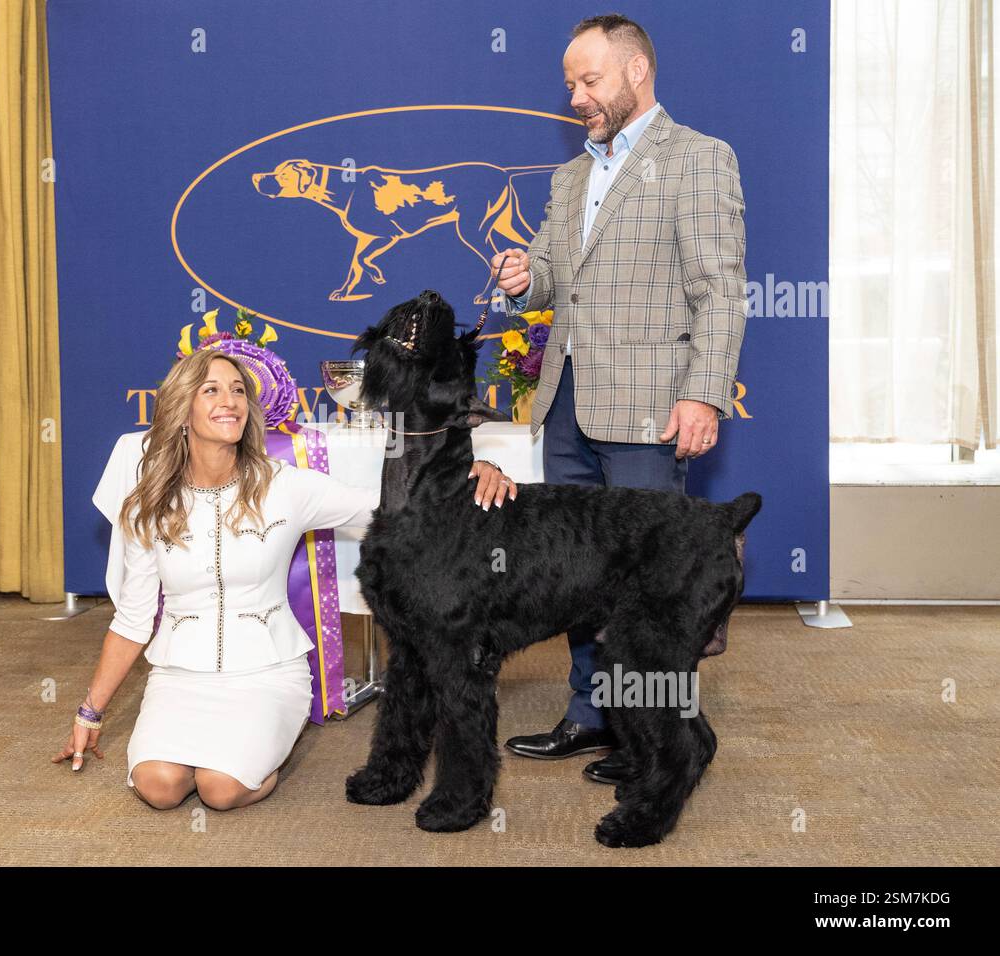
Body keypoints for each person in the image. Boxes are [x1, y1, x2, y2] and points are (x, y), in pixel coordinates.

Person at [52, 348, 517, 810]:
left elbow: (391, 504)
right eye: (211, 390)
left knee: (221, 789)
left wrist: (471, 472)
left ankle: (259, 748)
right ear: (181, 410)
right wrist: (89, 711)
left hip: (267, 673)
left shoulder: (286, 486)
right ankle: (207, 752)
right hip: (179, 677)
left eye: (238, 391)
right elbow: (132, 620)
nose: (230, 401)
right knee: (158, 787)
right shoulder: (147, 505)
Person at [491, 14, 746, 784]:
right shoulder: (570, 176)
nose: (576, 96)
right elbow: (548, 275)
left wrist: (704, 395)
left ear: (637, 72)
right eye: (570, 83)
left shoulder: (700, 159)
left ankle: (656, 747)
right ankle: (590, 716)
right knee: (578, 577)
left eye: (589, 80)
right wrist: (522, 278)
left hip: (649, 410)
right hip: (565, 408)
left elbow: (720, 290)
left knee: (653, 592)